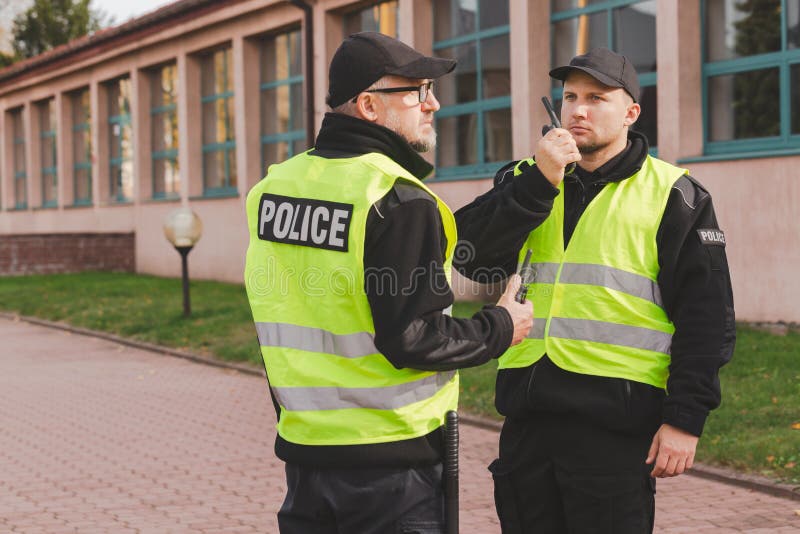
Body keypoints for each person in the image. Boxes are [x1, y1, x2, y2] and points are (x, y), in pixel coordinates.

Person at [243, 32, 532, 534]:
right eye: (417, 91)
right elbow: (414, 338)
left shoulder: (273, 189)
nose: (434, 104)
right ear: (370, 106)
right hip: (393, 467)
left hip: (307, 454)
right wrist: (501, 327)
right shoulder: (397, 199)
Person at [454, 48, 736, 533]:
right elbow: (468, 257)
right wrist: (537, 186)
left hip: (615, 428)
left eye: (597, 98)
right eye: (570, 97)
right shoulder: (527, 178)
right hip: (528, 421)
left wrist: (686, 419)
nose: (578, 110)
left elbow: (707, 319)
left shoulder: (675, 195)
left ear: (631, 113)